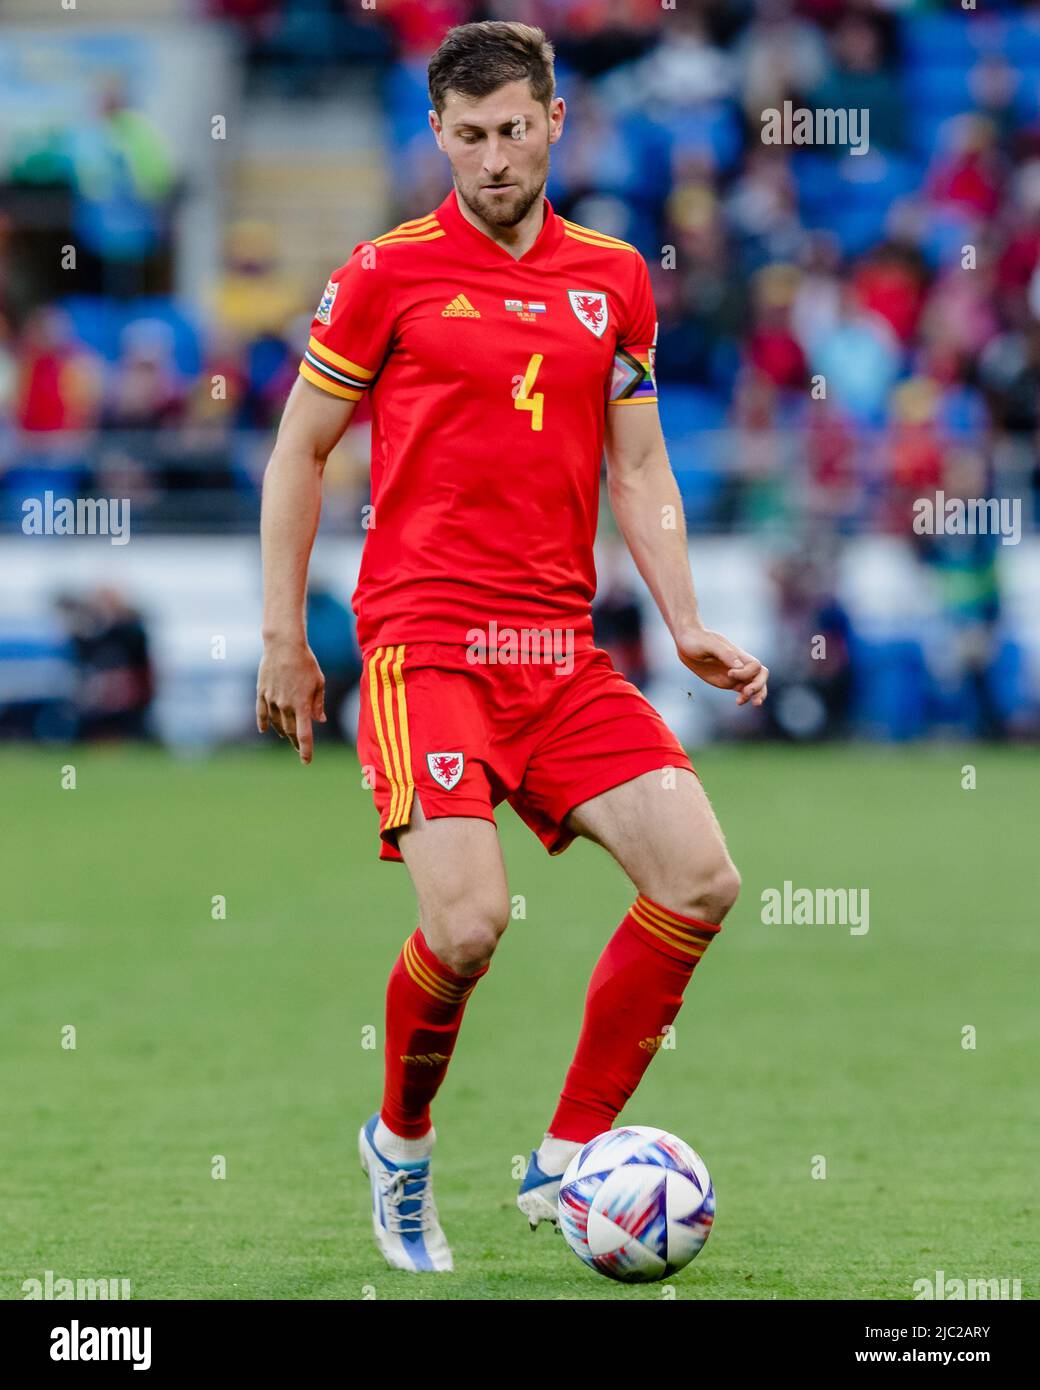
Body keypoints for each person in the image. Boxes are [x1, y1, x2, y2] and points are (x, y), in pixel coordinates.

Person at [256, 21, 768, 1273]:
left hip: (559, 651)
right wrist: (283, 631)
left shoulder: (613, 278)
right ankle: (401, 1143)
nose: (492, 158)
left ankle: (566, 1155)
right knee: (472, 922)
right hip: (423, 644)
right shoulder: (384, 274)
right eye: (468, 135)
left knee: (699, 879)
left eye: (513, 129)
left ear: (553, 122)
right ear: (437, 134)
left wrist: (685, 614)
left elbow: (640, 463)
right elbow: (298, 450)